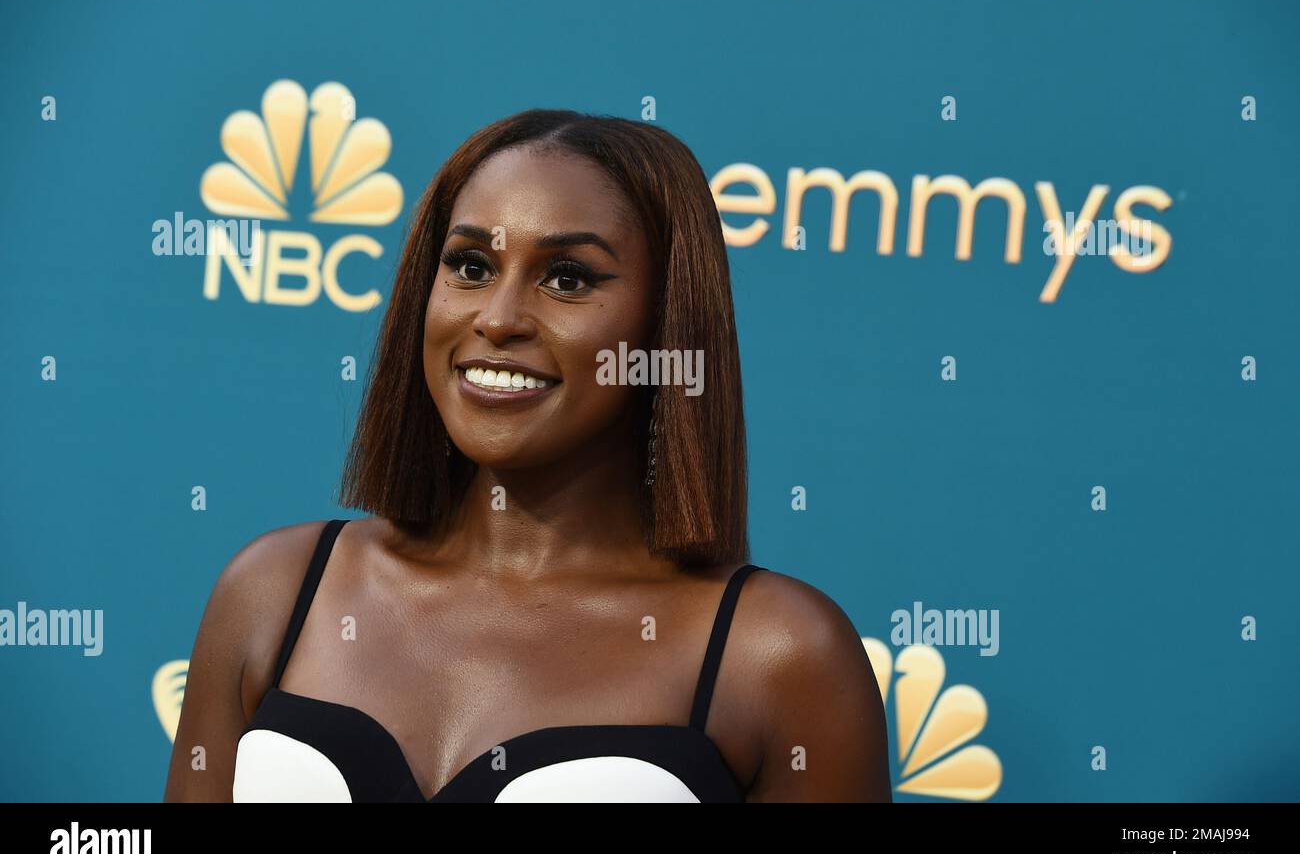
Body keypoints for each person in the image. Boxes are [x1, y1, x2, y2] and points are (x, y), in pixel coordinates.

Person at [163, 109, 891, 802]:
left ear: (666, 327)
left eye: (567, 277)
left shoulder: (779, 654)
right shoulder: (276, 590)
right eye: (471, 265)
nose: (499, 317)